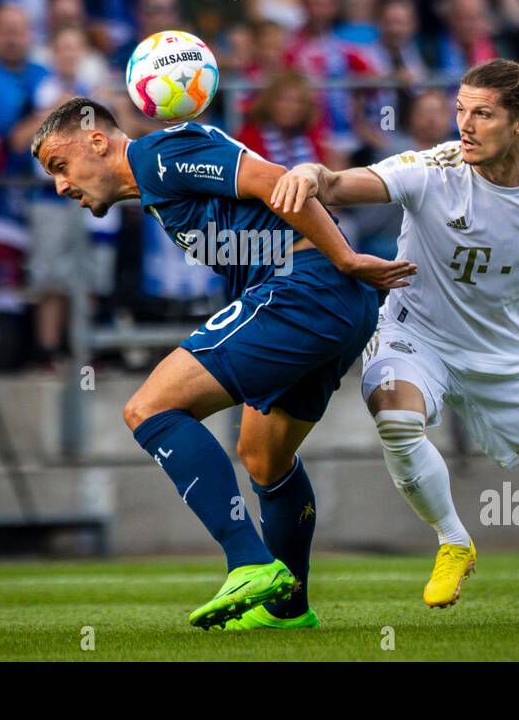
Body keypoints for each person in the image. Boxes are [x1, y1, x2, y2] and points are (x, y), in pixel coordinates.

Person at [270, 58, 519, 623]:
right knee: (396, 416)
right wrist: (312, 173)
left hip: (499, 348)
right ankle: (454, 540)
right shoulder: (431, 170)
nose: (465, 126)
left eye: (483, 113)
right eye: (460, 110)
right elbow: (342, 182)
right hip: (415, 333)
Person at [30, 97, 414, 630]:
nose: (60, 186)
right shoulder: (160, 188)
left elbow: (277, 179)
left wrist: (346, 257)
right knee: (264, 459)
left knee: (149, 408)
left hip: (306, 287)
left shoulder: (159, 155)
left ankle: (249, 561)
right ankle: (287, 609)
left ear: (97, 140)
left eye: (59, 166)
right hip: (333, 301)